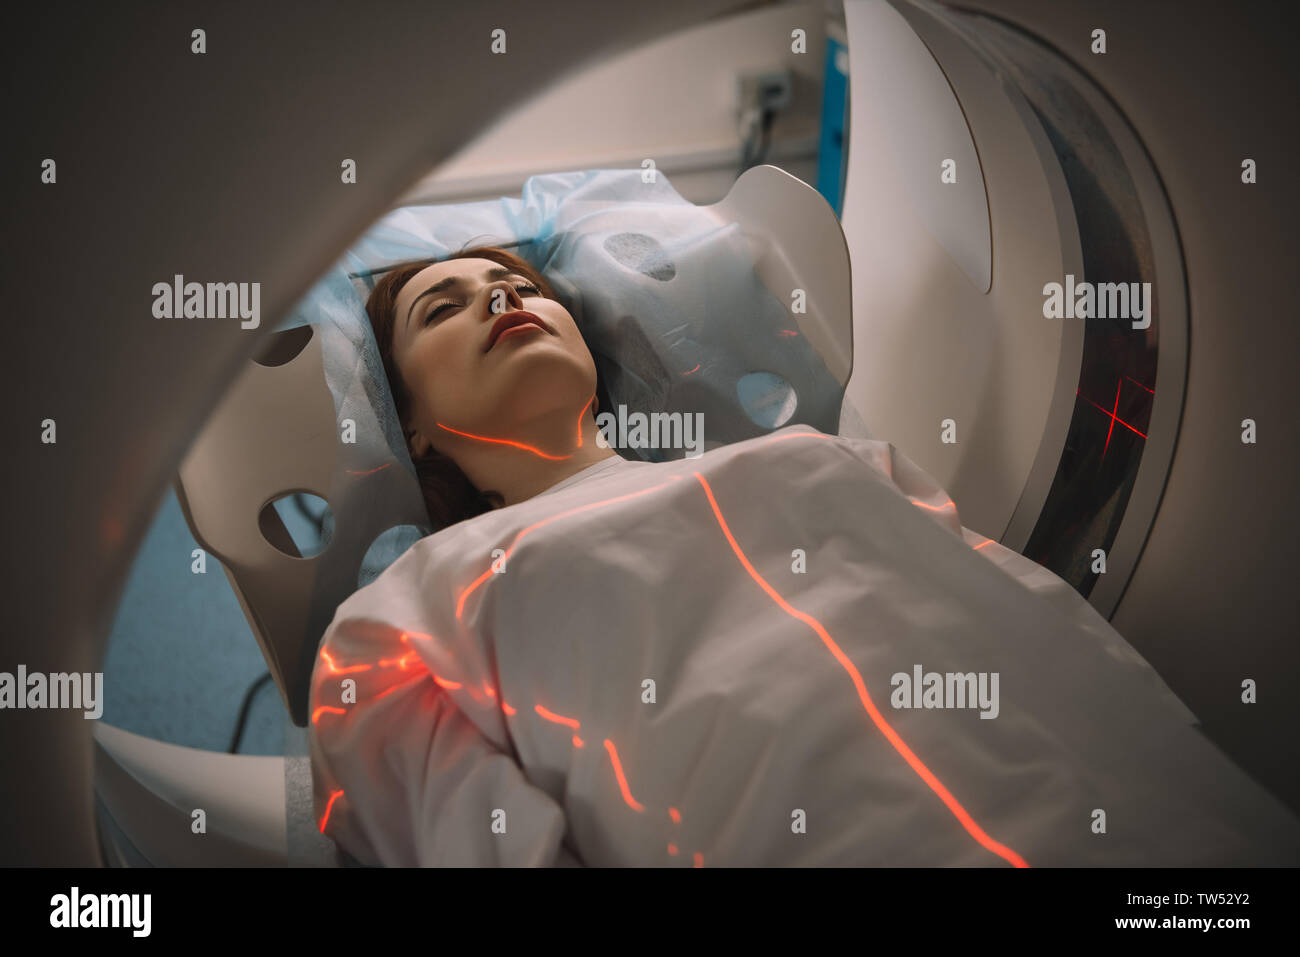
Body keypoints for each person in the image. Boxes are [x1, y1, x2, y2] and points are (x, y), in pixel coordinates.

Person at [306, 247, 1300, 867]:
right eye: (442, 308)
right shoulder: (404, 622)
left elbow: (1057, 646)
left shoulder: (831, 461)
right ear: (415, 432)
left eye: (516, 284)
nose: (499, 300)